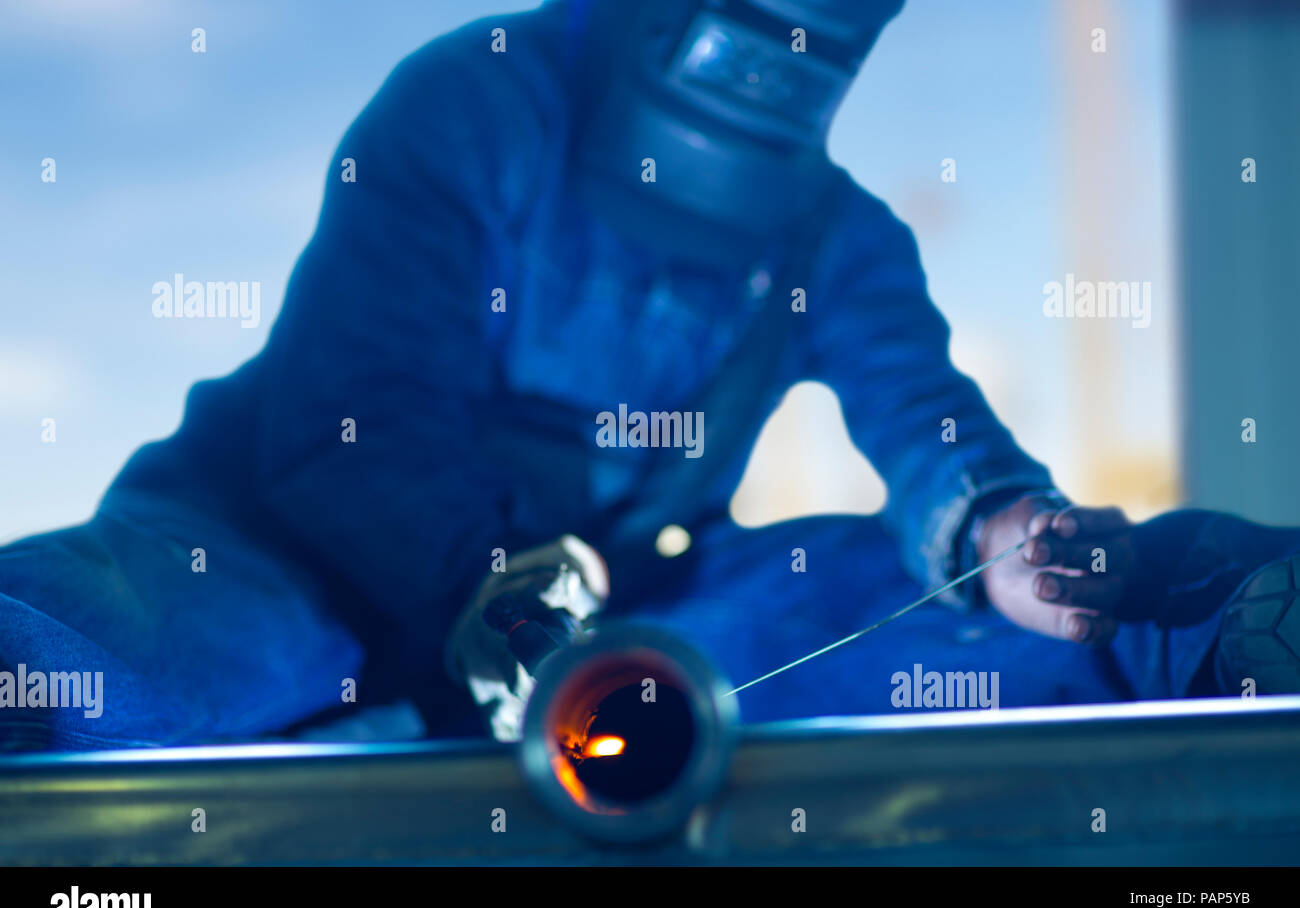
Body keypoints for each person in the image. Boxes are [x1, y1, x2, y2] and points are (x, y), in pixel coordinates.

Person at [2, 0, 1297, 751]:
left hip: (618, 609)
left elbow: (927, 424)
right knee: (183, 648)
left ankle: (1233, 628)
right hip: (296, 546)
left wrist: (1000, 524)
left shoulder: (838, 235)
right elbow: (358, 416)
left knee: (936, 610)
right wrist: (482, 590)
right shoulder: (473, 102)